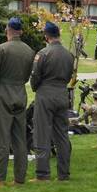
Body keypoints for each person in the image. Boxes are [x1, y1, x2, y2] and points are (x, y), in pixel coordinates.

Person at [0, 16, 33, 186]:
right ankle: (20, 178)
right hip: (20, 92)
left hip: (3, 93)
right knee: (20, 139)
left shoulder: (2, 49)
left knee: (0, 137)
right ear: (20, 31)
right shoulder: (29, 50)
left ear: (8, 31)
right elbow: (28, 75)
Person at [31, 20, 75, 183]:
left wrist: (37, 88)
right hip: (62, 94)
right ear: (58, 35)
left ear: (46, 36)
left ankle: (42, 174)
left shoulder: (42, 53)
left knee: (42, 133)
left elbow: (35, 76)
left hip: (46, 93)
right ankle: (64, 174)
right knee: (62, 135)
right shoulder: (69, 54)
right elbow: (70, 74)